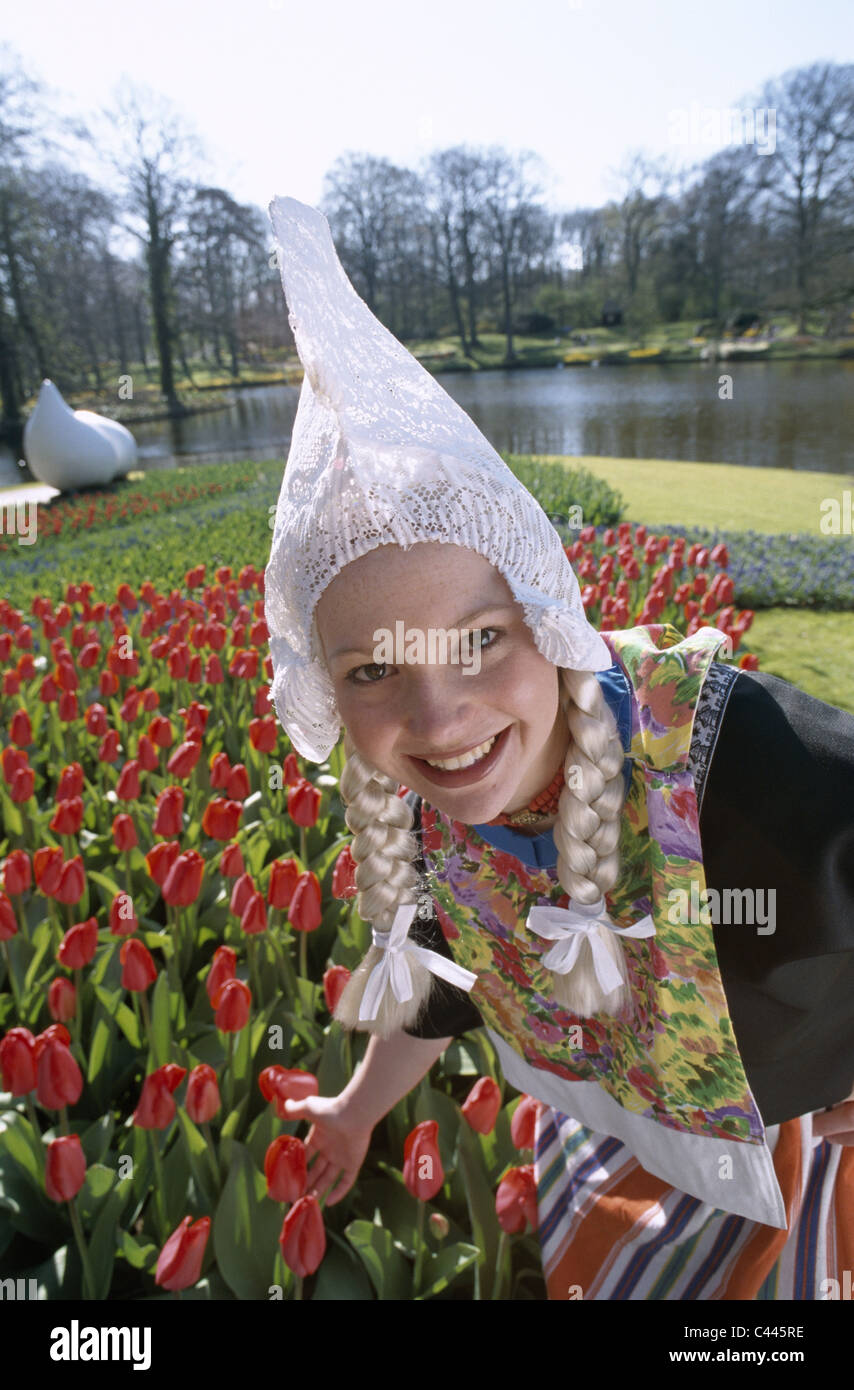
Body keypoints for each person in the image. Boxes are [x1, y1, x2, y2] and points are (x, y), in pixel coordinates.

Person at [263, 196, 854, 1301]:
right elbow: (447, 983)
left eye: (479, 641)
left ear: (551, 617)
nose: (438, 720)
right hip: (624, 1145)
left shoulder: (740, 759)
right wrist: (353, 1110)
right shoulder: (423, 818)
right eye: (372, 670)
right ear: (325, 690)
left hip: (803, 1164)